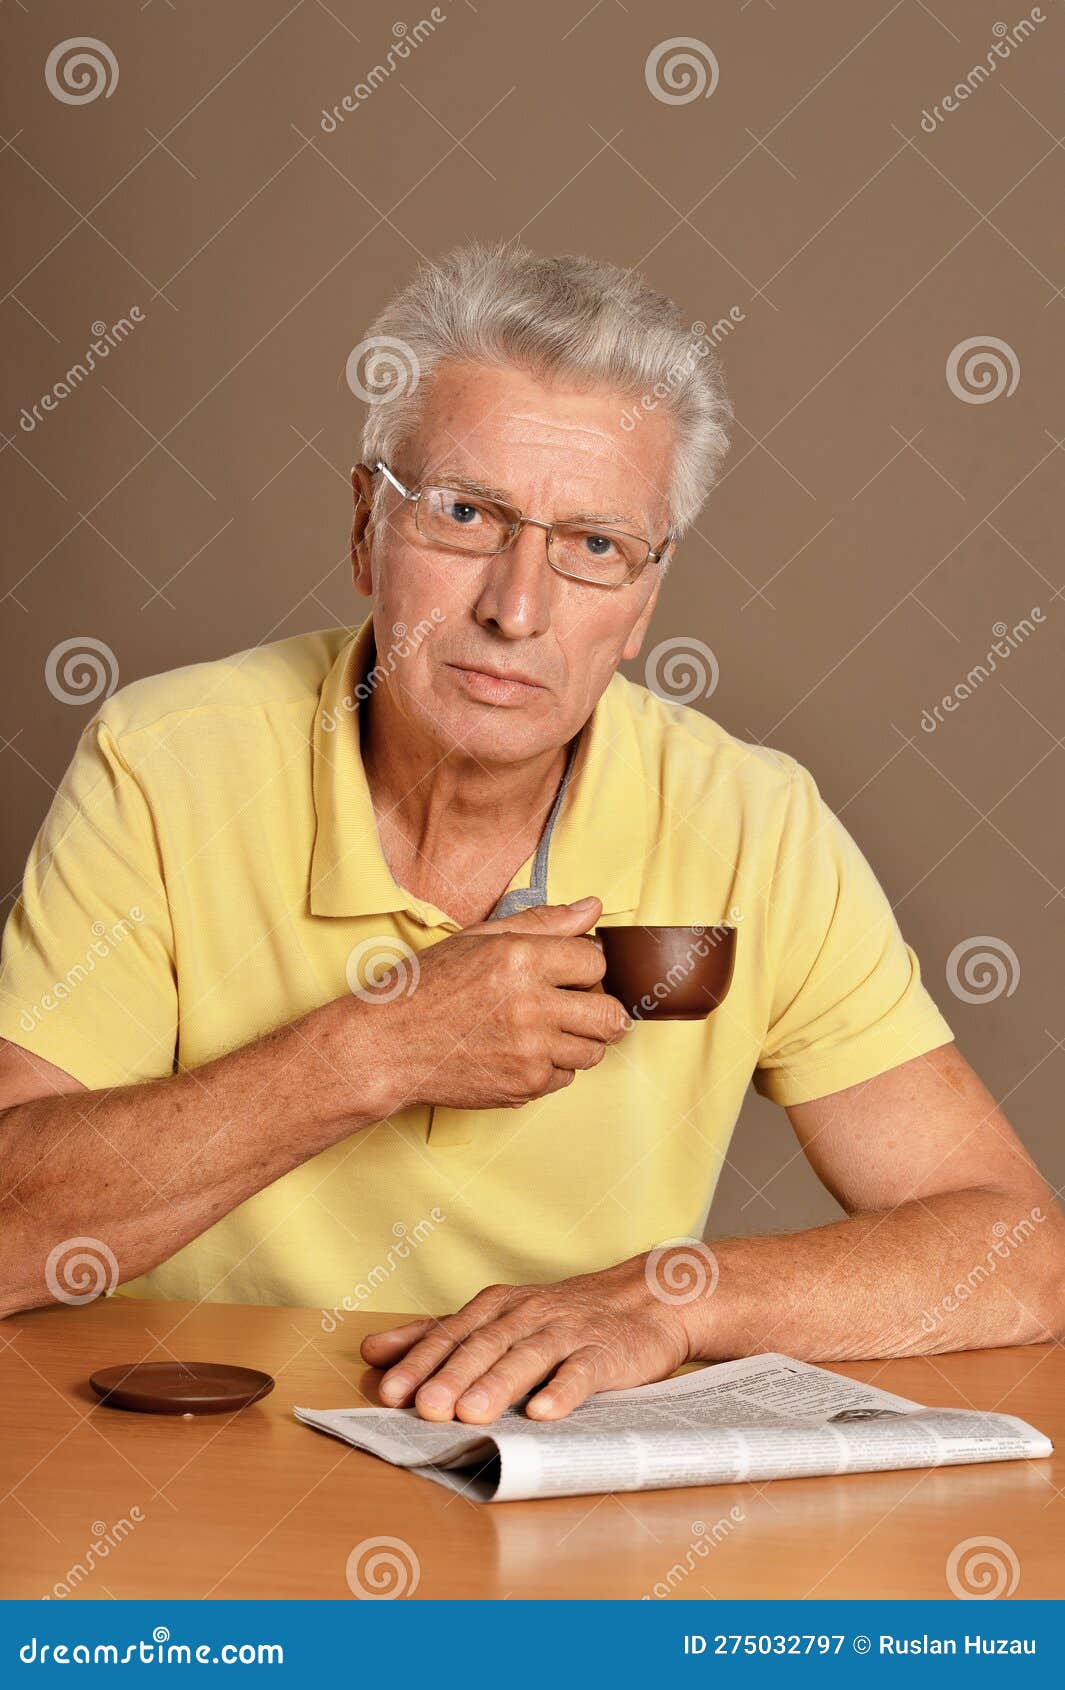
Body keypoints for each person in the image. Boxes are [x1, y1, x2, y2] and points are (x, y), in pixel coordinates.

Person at [1, 242, 1060, 1427]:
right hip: (185, 1470)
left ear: (646, 601)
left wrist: (662, 1300)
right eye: (466, 515)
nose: (517, 608)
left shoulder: (755, 822)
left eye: (595, 545)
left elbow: (1013, 1249)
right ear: (366, 528)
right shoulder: (169, 760)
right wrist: (382, 1046)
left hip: (554, 1493)